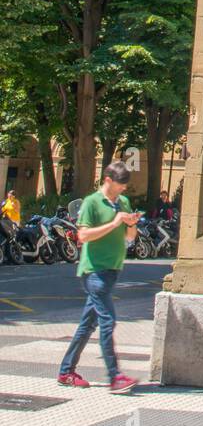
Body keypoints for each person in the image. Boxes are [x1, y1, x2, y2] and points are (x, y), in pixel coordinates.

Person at [57, 161, 141, 393]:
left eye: (124, 186)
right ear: (107, 180)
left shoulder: (123, 202)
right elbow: (82, 235)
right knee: (107, 320)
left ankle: (66, 371)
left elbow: (130, 237)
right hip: (93, 271)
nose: (122, 190)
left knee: (87, 324)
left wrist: (131, 225)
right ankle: (115, 377)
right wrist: (114, 222)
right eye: (119, 186)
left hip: (112, 269)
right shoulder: (91, 202)